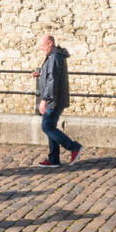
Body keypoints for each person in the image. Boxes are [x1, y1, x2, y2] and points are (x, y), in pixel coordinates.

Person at [32, 34, 81, 167]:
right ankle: (54, 159)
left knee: (47, 126)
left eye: (42, 46)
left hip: (54, 99)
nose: (41, 49)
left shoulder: (54, 57)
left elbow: (52, 81)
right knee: (51, 127)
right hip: (54, 98)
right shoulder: (54, 56)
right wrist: (41, 74)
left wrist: (44, 100)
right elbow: (50, 74)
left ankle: (73, 147)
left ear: (50, 44)